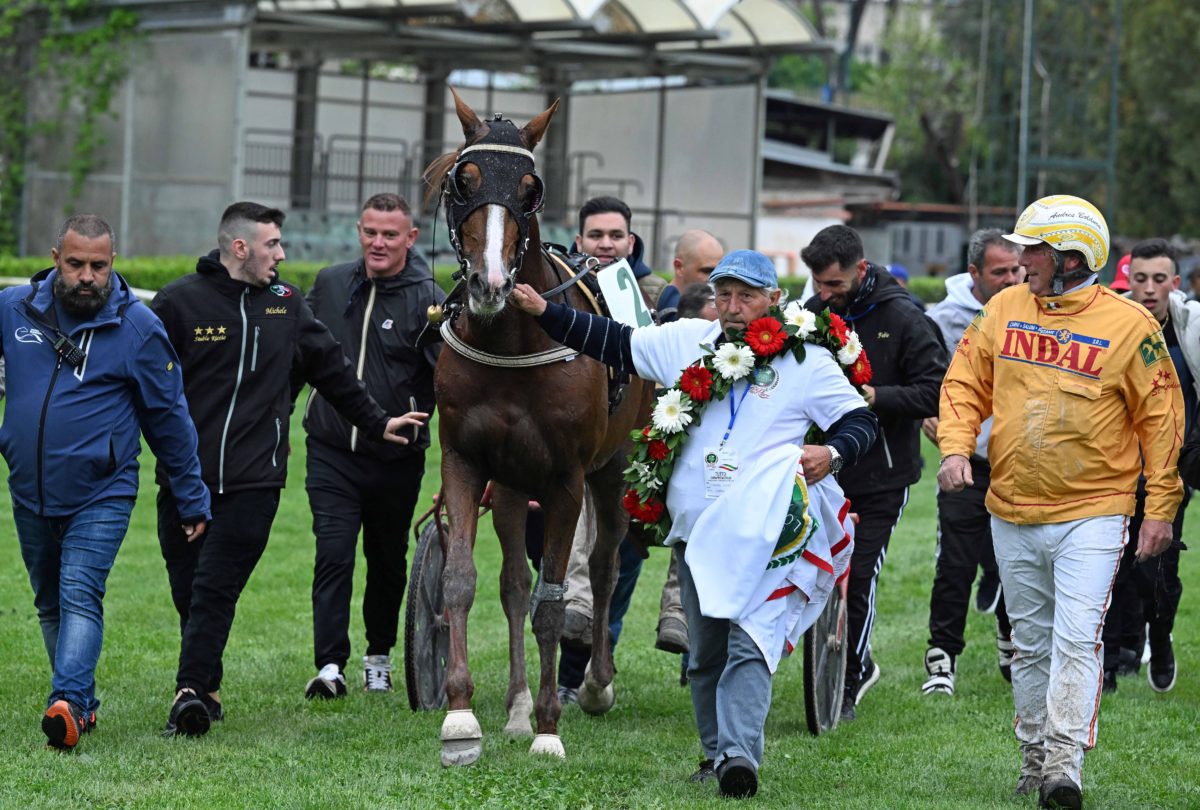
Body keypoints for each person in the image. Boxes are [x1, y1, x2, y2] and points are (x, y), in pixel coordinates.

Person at [511, 249, 878, 798]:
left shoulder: (806, 363)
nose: (733, 308)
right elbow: (614, 342)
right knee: (705, 654)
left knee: (749, 644)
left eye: (747, 297)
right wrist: (545, 311)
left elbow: (859, 419)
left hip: (769, 532)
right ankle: (714, 754)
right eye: (724, 295)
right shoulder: (688, 341)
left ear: (774, 300)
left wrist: (832, 453)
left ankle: (739, 759)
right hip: (696, 532)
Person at [938, 195, 1184, 808]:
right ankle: (1032, 757)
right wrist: (954, 448)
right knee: (1030, 641)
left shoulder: (1130, 326)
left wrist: (1159, 509)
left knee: (1076, 639)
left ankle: (1063, 767)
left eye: (1034, 249)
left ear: (1073, 257)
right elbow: (965, 380)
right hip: (1011, 507)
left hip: (1096, 510)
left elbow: (1162, 420)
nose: (1022, 259)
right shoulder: (1003, 307)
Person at [150, 202, 426, 737]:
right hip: (184, 481)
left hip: (255, 483)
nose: (281, 254)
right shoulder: (178, 303)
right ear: (239, 248)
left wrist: (377, 422)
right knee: (188, 591)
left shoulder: (287, 304)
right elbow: (147, 383)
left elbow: (334, 372)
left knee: (214, 588)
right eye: (272, 244)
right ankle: (208, 686)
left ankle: (188, 695)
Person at [0, 214, 210, 751]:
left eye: (98, 265)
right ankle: (82, 706)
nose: (87, 276)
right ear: (56, 260)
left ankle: (66, 700)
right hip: (29, 490)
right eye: (76, 264)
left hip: (103, 490)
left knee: (78, 593)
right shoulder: (12, 310)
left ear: (113, 263)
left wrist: (191, 497)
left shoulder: (139, 328)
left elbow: (170, 420)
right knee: (48, 602)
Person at [301, 193, 444, 699]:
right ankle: (330, 666)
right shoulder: (330, 282)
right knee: (334, 553)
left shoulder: (430, 300)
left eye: (390, 234)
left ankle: (378, 654)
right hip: (331, 449)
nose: (378, 243)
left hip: (397, 458)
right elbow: (303, 355)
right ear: (358, 231)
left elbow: (448, 383)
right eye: (370, 232)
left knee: (386, 561)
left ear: (410, 237)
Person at [801, 224, 947, 721]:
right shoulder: (814, 315)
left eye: (834, 285)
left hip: (884, 476)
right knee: (813, 574)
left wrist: (876, 397)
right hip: (822, 472)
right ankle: (824, 662)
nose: (824, 295)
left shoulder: (906, 316)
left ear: (861, 270)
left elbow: (936, 391)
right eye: (818, 285)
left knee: (859, 576)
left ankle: (852, 675)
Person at [920, 230, 1022, 696]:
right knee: (956, 563)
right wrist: (930, 414)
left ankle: (1010, 634)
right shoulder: (944, 319)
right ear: (974, 273)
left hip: (1023, 461)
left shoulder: (1035, 310)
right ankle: (942, 656)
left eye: (1016, 270)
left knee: (1015, 564)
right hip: (967, 461)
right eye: (999, 271)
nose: (1010, 278)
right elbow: (926, 378)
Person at [1101, 238, 1198, 694]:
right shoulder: (1109, 324)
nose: (1149, 288)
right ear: (1128, 280)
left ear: (1174, 284)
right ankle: (1109, 659)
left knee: (1157, 573)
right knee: (1110, 566)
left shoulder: (1191, 331)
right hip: (1113, 470)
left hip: (1169, 472)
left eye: (1159, 279)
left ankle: (1159, 638)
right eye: (1140, 278)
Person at [655, 229, 723, 320]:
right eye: (707, 271)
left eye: (718, 272)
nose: (715, 278)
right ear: (679, 267)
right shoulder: (668, 311)